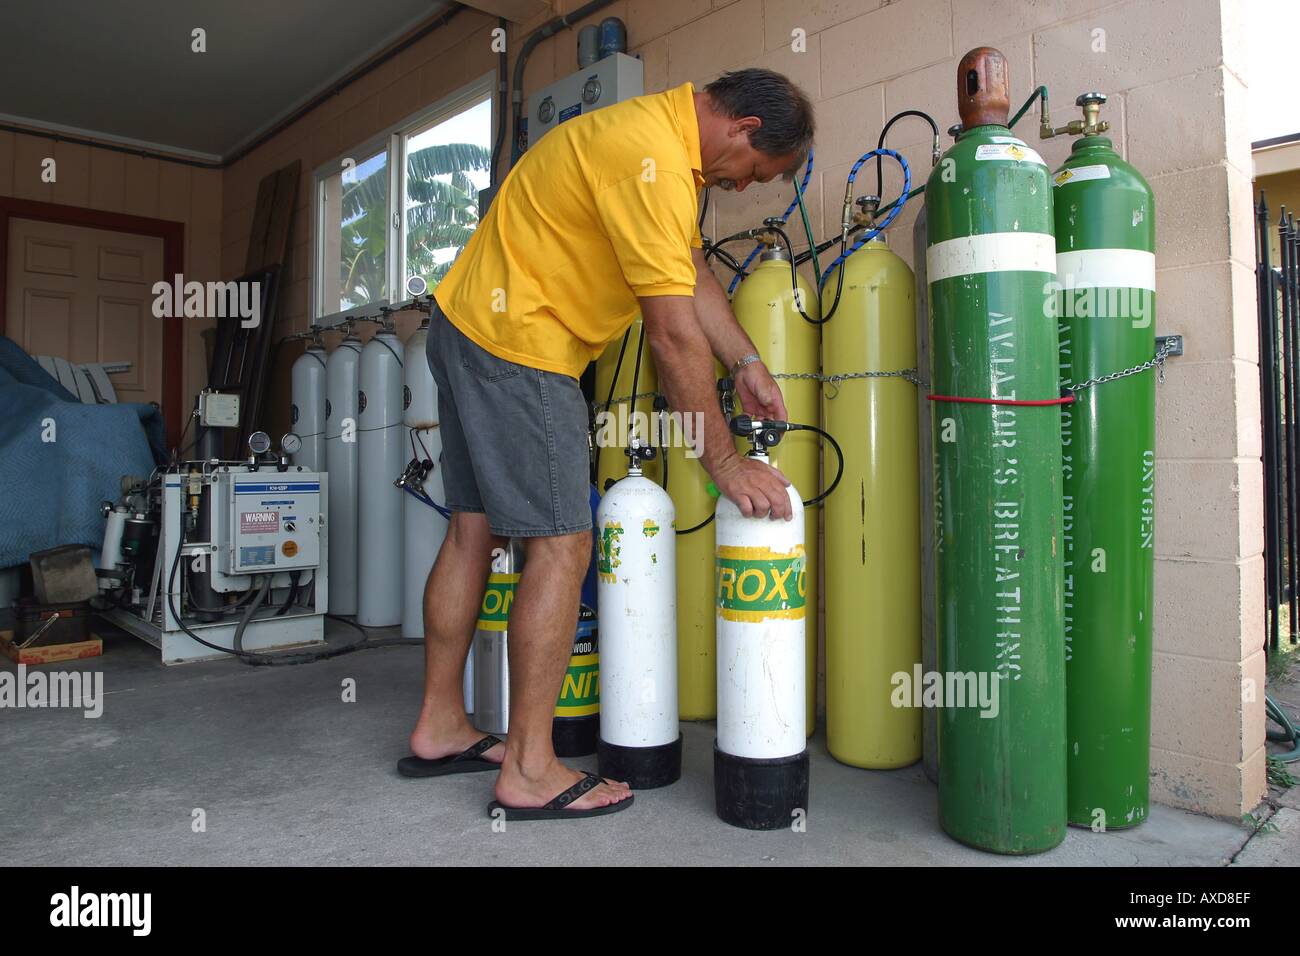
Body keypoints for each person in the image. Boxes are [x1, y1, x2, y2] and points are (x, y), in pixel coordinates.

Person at [398, 68, 816, 820]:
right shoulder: (648, 157)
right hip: (523, 346)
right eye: (759, 173)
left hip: (463, 327)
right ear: (745, 128)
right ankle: (528, 767)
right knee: (564, 545)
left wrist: (746, 361)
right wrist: (721, 461)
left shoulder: (657, 143)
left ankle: (439, 724)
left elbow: (687, 271)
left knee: (472, 529)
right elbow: (670, 334)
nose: (751, 188)